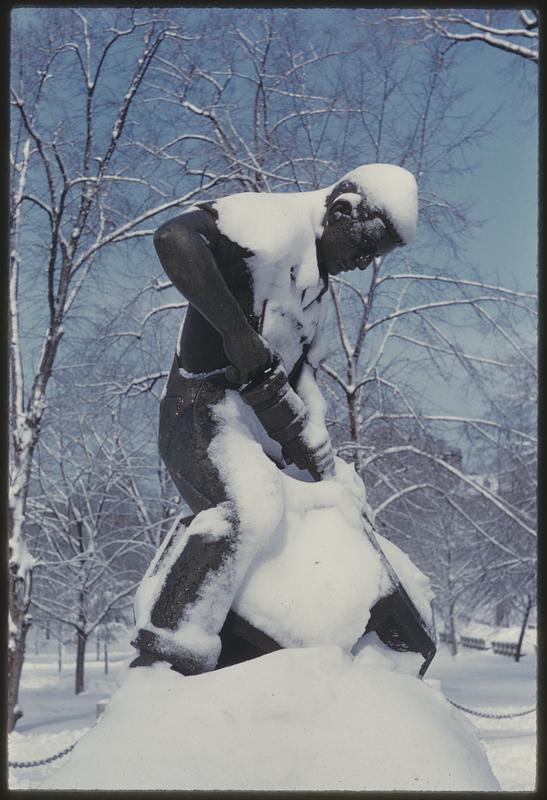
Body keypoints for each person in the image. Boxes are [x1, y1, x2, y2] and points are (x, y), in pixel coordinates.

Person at [130, 164, 418, 674]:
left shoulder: (316, 292)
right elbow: (173, 237)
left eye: (377, 256)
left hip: (259, 430)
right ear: (343, 211)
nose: (365, 262)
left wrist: (323, 459)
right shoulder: (268, 222)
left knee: (330, 510)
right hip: (199, 411)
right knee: (250, 509)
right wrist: (235, 332)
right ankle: (165, 658)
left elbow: (298, 380)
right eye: (366, 247)